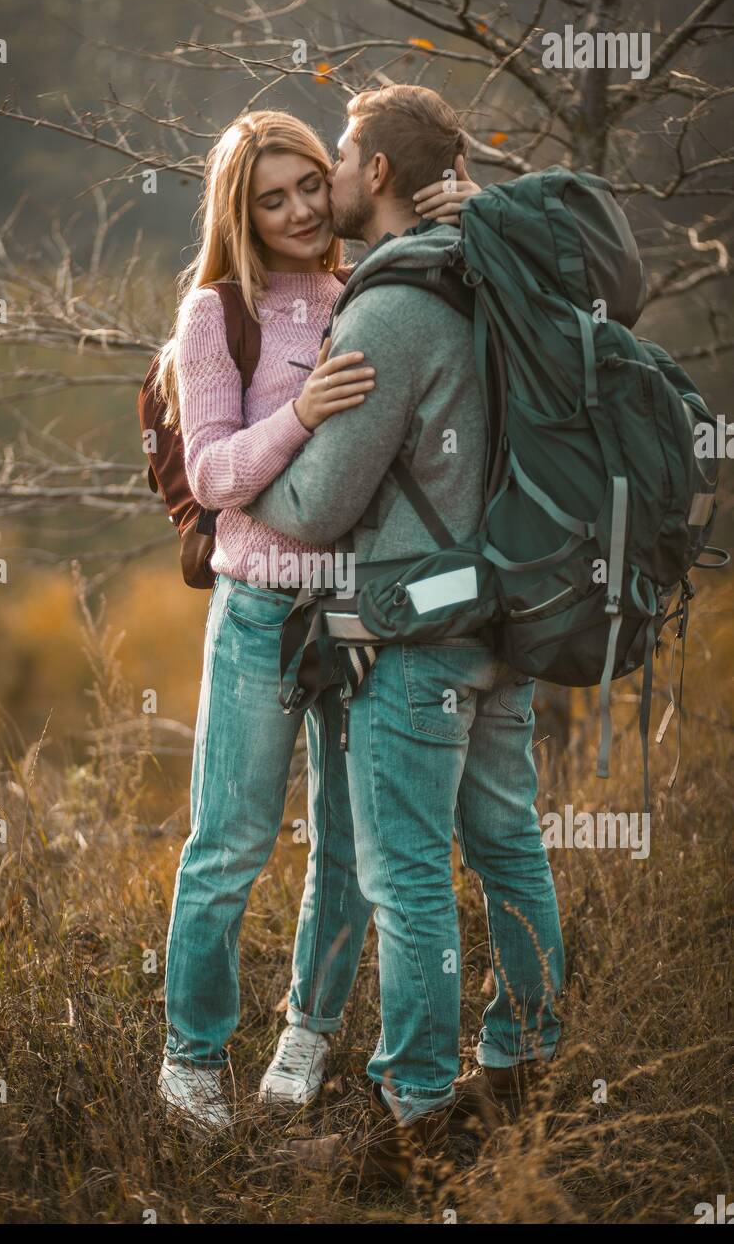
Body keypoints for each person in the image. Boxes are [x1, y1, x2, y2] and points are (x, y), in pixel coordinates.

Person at [243, 84, 565, 1167]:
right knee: (511, 847)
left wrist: (239, 480)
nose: (326, 179)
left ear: (374, 171)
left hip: (411, 637)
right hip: (504, 624)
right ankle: (523, 1060)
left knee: (408, 875)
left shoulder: (388, 309)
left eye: (337, 158)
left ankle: (417, 1111)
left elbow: (319, 506)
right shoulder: (490, 275)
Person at [154, 108, 479, 1129]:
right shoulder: (216, 313)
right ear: (239, 213)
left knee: (342, 845)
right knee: (229, 843)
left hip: (353, 610)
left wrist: (474, 216)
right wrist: (300, 413)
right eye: (271, 196)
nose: (298, 209)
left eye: (308, 184)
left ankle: (306, 1029)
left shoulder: (365, 294)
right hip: (258, 612)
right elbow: (210, 474)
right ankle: (190, 1053)